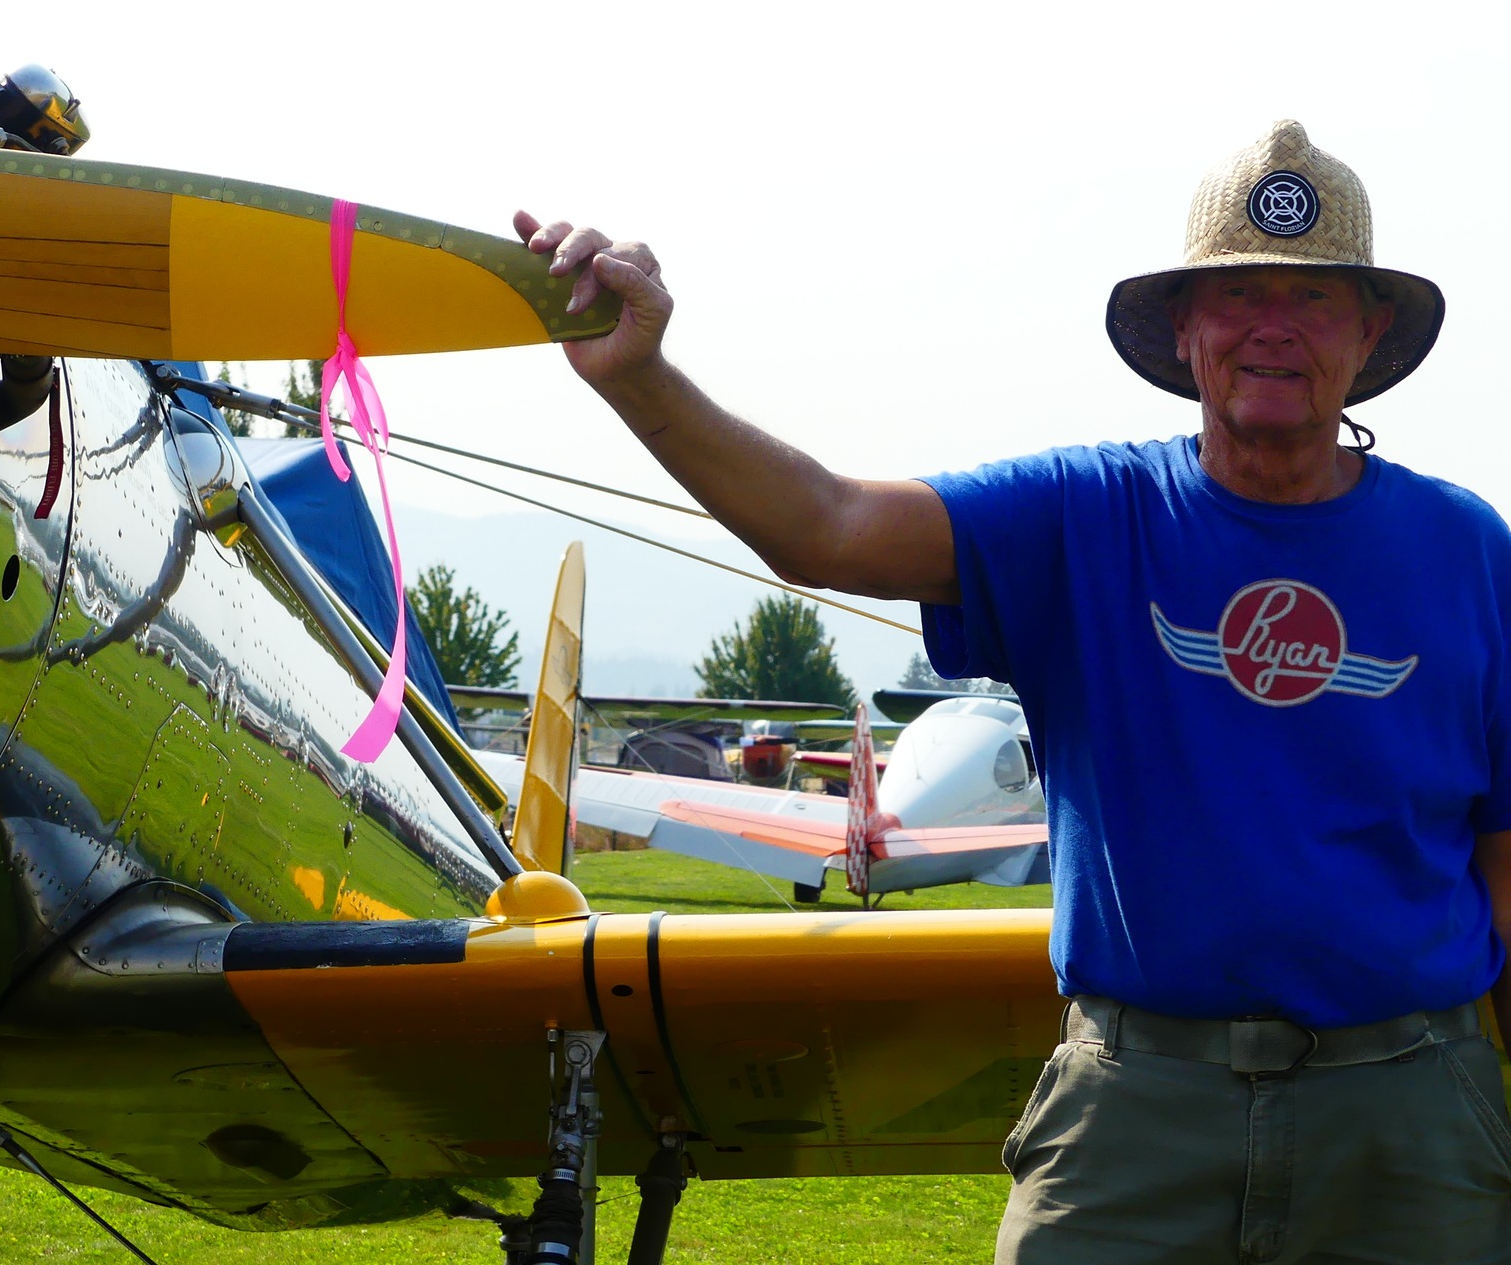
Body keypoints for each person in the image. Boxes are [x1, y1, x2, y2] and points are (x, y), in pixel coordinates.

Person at [523, 119, 1511, 1262]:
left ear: (1369, 331)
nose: (1272, 328)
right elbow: (824, 525)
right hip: (1135, 1108)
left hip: (1406, 1118)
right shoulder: (1082, 518)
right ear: (1183, 329)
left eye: (1313, 296)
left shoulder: (1469, 553)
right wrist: (638, 376)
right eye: (1236, 294)